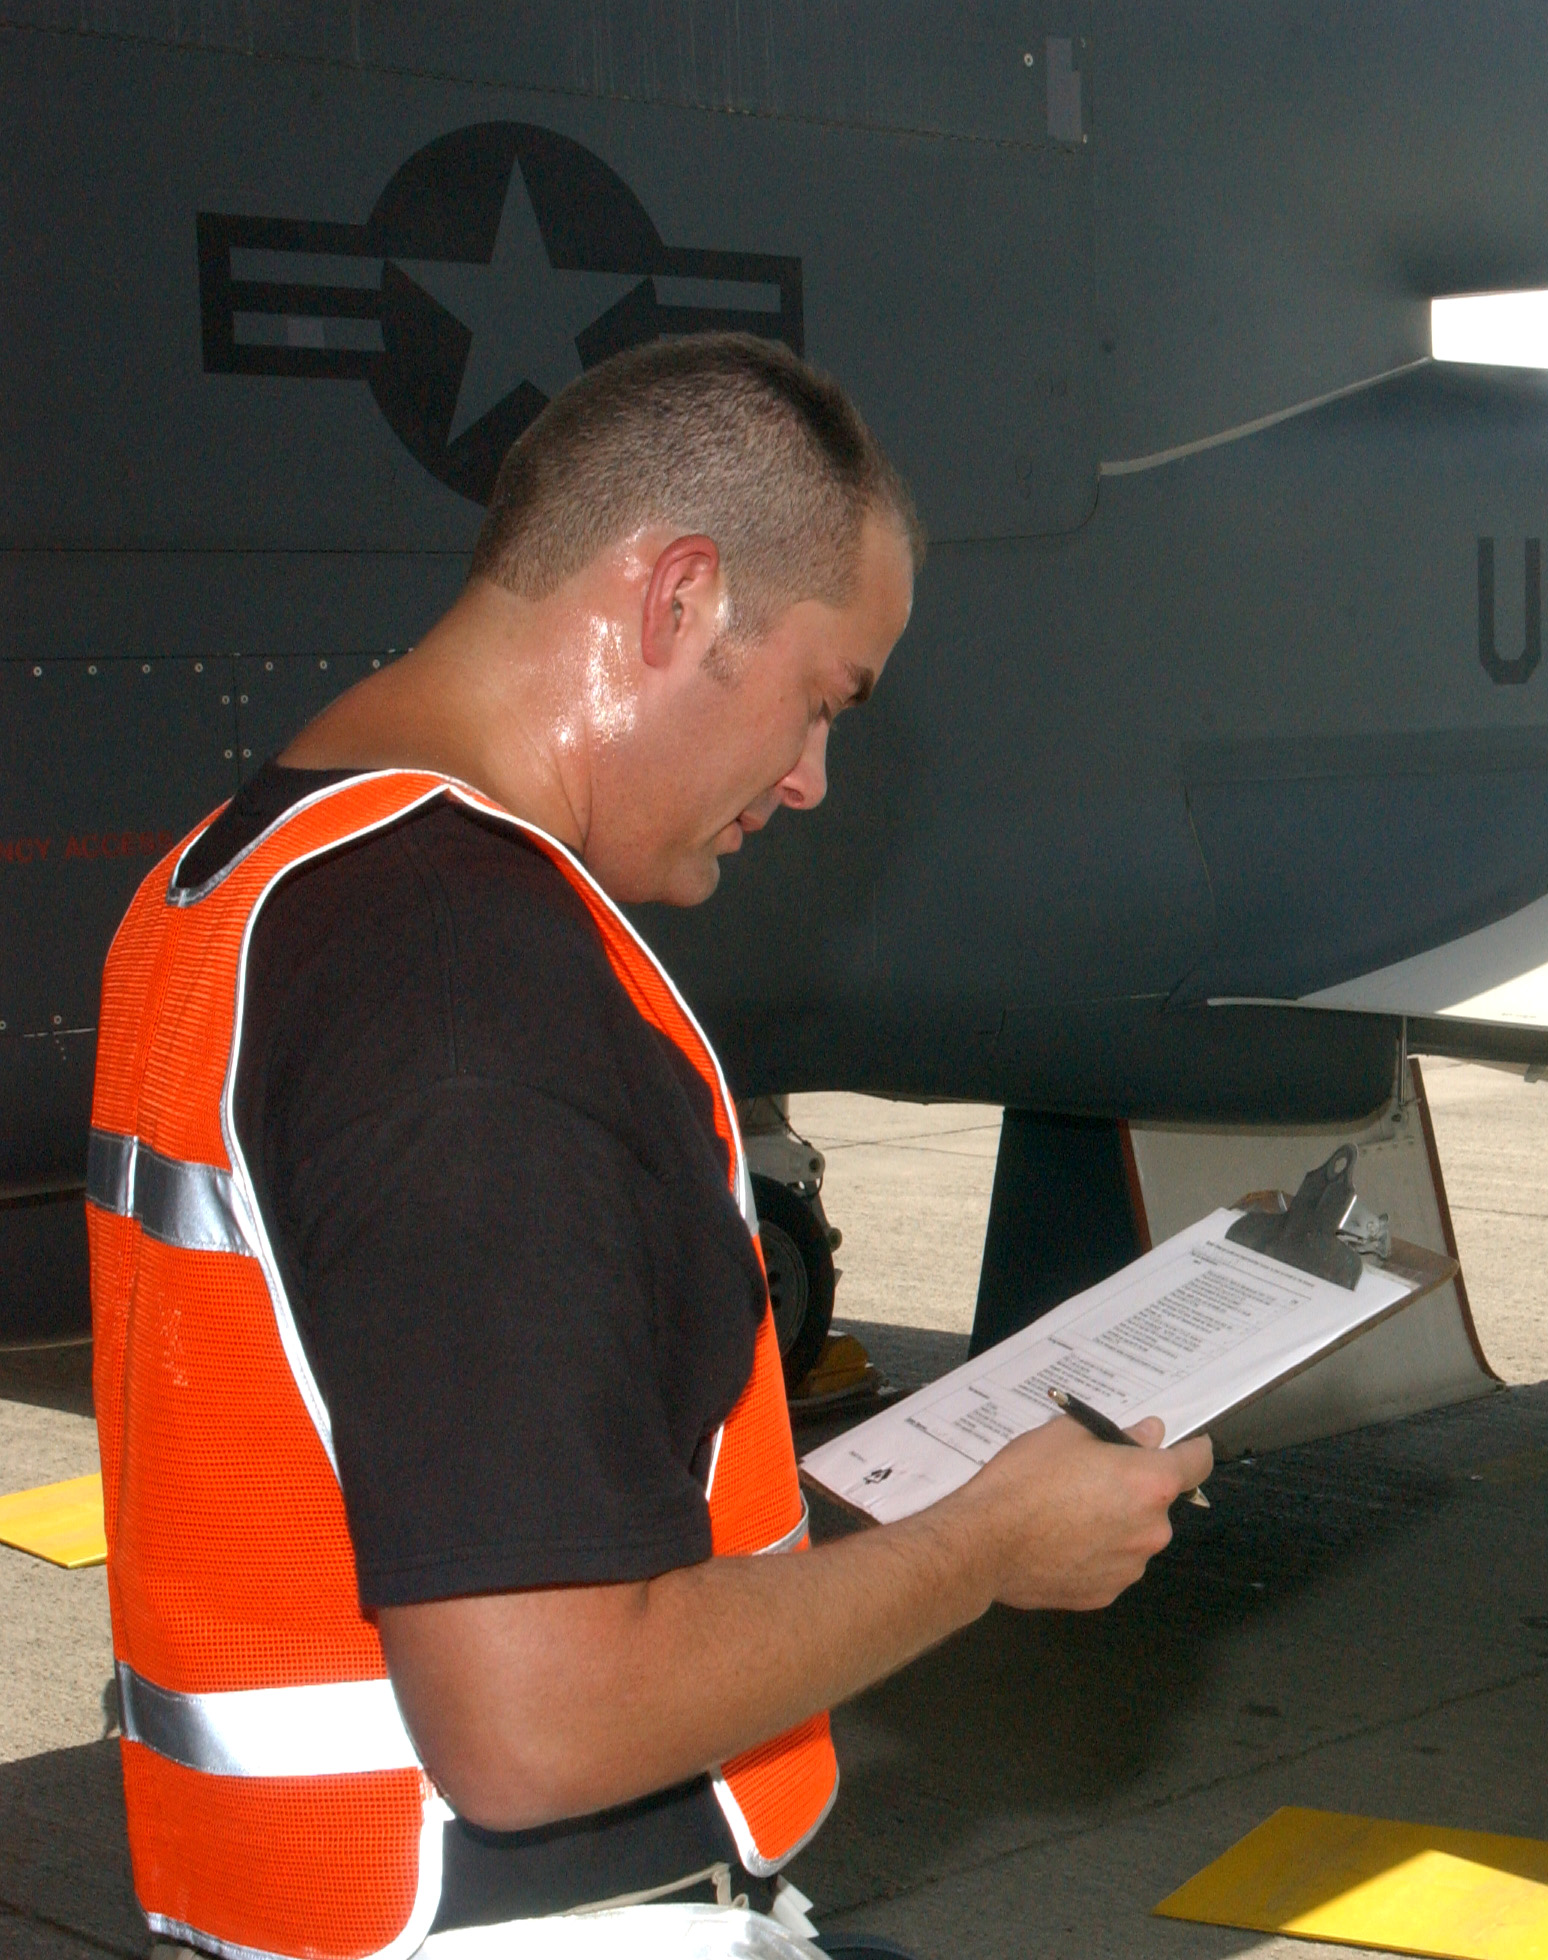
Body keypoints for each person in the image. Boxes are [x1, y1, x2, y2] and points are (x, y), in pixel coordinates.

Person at [88, 333, 1211, 1959]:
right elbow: (537, 1722)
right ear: (677, 601)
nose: (817, 779)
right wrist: (984, 1550)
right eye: (824, 698)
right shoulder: (469, 982)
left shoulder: (245, 880)